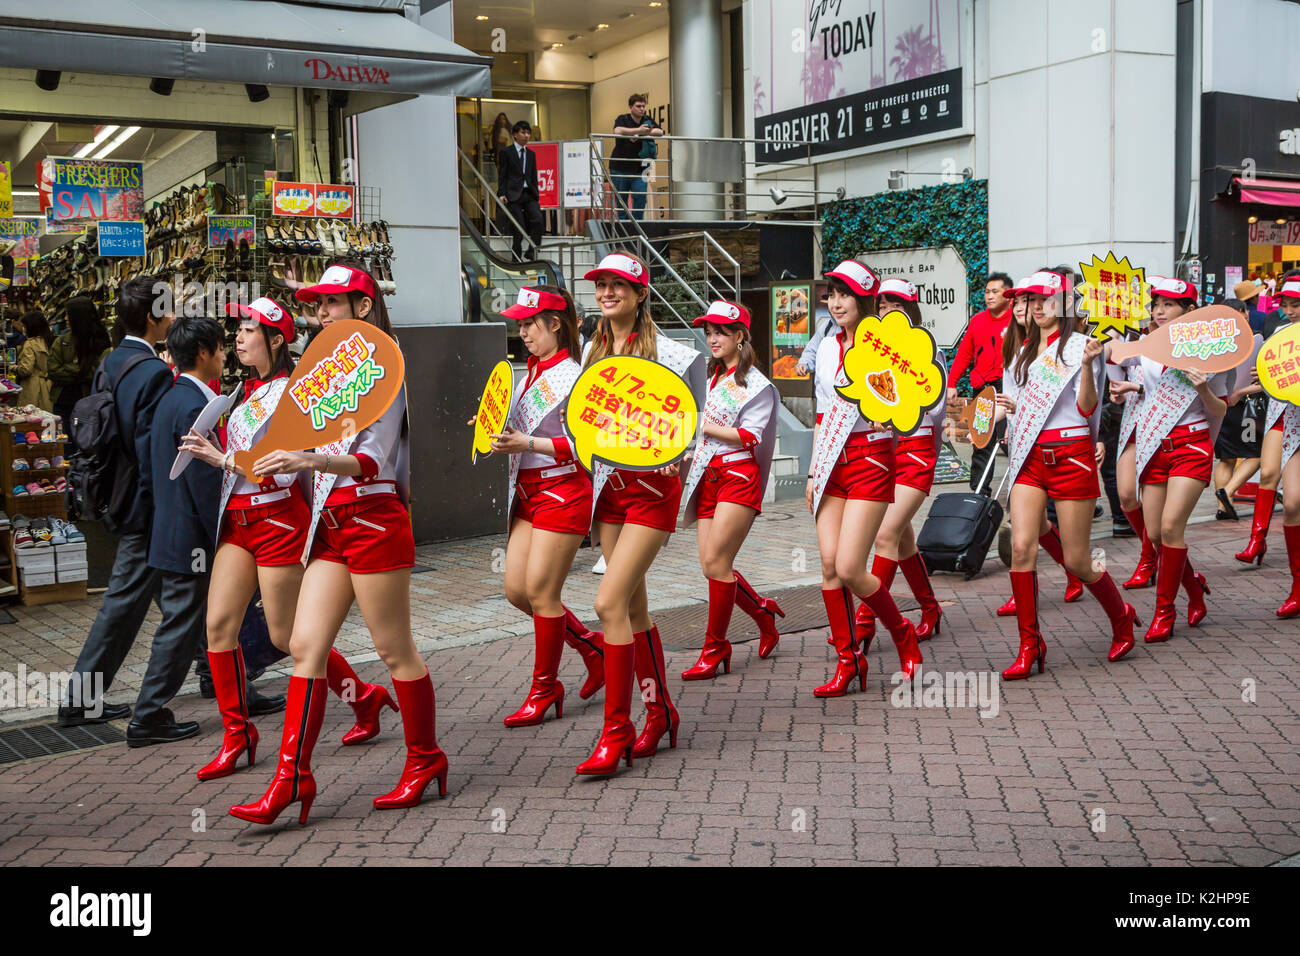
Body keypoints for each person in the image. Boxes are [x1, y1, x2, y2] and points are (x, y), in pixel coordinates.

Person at [231, 263, 447, 825]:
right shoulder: (317, 372)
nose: (320, 314)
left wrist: (312, 458)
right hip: (331, 523)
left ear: (365, 308)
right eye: (317, 305)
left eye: (332, 303)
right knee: (304, 645)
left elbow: (373, 459)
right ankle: (291, 778)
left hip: (374, 517)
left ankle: (425, 760)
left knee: (394, 648)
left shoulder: (386, 368)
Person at [179, 297, 387, 779]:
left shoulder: (297, 392)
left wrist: (219, 458)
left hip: (278, 523)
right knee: (217, 629)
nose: (238, 336)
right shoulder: (241, 391)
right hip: (239, 522)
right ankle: (238, 735)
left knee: (287, 637)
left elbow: (281, 468)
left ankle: (364, 698)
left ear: (277, 339)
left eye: (251, 329)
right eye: (238, 328)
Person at [576, 251, 704, 775]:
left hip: (653, 491)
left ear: (640, 291)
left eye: (618, 286)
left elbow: (693, 422)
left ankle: (616, 730)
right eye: (601, 285)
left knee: (608, 602)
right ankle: (660, 712)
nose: (607, 293)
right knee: (632, 609)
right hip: (609, 489)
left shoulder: (675, 354)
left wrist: (682, 455)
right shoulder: (590, 350)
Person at [996, 270, 1138, 678]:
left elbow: (1089, 408)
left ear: (1063, 302)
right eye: (1028, 300)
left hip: (1071, 452)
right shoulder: (1019, 352)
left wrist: (1091, 366)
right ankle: (1030, 645)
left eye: (1043, 299)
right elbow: (1018, 407)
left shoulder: (1081, 347)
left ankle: (1121, 616)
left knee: (1077, 559)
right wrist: (1004, 412)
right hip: (1030, 456)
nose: (1036, 307)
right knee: (1022, 548)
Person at [58, 278, 178, 728]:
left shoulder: (113, 361)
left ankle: (224, 676)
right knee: (126, 603)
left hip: (119, 495)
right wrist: (165, 508)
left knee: (185, 600)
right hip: (144, 506)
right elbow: (150, 449)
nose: (174, 317)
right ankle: (79, 700)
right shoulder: (150, 372)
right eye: (168, 309)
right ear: (151, 317)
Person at [483, 285, 606, 726]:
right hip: (528, 493)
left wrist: (528, 441)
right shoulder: (529, 371)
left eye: (529, 323)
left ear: (556, 323)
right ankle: (593, 649)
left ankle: (545, 687)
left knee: (541, 592)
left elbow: (591, 442)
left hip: (565, 491)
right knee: (517, 591)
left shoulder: (576, 375)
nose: (522, 332)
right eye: (519, 324)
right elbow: (515, 426)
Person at [806, 260, 922, 696]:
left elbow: (911, 403)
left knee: (852, 566)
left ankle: (902, 633)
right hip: (831, 460)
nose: (836, 303)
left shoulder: (888, 346)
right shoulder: (828, 344)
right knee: (829, 567)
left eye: (845, 294)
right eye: (832, 293)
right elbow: (820, 412)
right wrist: (815, 470)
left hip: (871, 458)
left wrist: (893, 419)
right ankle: (848, 661)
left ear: (865, 300)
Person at [118, 315, 231, 746]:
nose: (224, 355)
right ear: (202, 353)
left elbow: (150, 468)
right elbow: (204, 483)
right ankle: (147, 715)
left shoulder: (171, 397)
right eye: (219, 348)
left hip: (170, 528)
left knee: (208, 618)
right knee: (182, 623)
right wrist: (220, 533)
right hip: (190, 537)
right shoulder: (192, 406)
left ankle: (236, 689)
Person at [1111, 277, 1223, 642]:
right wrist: (1131, 386)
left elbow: (1221, 407)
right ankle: (1194, 589)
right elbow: (1151, 391)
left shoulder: (1210, 349)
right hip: (1154, 444)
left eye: (1169, 305)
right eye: (1156, 303)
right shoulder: (1146, 348)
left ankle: (1164, 611)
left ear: (1189, 311)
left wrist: (1204, 385)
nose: (1159, 310)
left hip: (1192, 444)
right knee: (1156, 534)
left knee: (1172, 527)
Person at [679, 300, 785, 679]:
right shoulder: (710, 377)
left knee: (717, 564)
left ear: (740, 335)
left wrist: (699, 426)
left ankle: (715, 647)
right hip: (707, 476)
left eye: (721, 331)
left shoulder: (757, 385)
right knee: (712, 566)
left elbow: (749, 437)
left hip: (739, 477)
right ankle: (762, 612)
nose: (713, 338)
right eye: (709, 332)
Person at [852, 279, 947, 662]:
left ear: (912, 309)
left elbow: (936, 408)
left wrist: (900, 418)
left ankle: (865, 621)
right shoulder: (873, 350)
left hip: (917, 452)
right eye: (883, 302)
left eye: (897, 303)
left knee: (886, 534)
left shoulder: (928, 349)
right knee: (902, 539)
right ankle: (930, 608)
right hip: (885, 453)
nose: (889, 308)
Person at [1236, 276, 1300, 582]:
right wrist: (1260, 379)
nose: (1289, 310)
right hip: (1279, 411)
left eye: (1295, 305)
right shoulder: (1278, 331)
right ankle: (1256, 540)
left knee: (1293, 500)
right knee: (1269, 471)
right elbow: (1273, 373)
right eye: (1285, 304)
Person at [948, 273, 1014, 494]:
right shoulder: (978, 320)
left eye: (995, 291)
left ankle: (1021, 490)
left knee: (1010, 440)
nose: (990, 296)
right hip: (984, 389)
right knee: (981, 438)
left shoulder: (1018, 319)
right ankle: (979, 491)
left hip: (1008, 386)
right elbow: (964, 354)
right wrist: (952, 383)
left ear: (1008, 294)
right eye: (987, 292)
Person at [1212, 298, 1264, 520]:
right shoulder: (1255, 342)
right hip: (1246, 407)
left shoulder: (1216, 343)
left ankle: (1224, 508)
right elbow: (1262, 380)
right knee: (1256, 454)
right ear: (1245, 312)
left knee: (1227, 459)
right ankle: (1229, 491)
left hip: (1220, 405)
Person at [48, 297, 112, 445]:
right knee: (64, 444)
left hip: (88, 404)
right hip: (63, 403)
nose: (65, 319)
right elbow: (52, 370)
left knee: (85, 442)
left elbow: (96, 372)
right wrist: (81, 372)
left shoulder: (100, 342)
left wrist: (68, 368)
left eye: (68, 315)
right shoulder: (62, 341)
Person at [611, 94, 663, 222]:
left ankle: (636, 225)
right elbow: (617, 131)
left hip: (640, 169)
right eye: (638, 106)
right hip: (620, 167)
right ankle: (624, 227)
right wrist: (638, 130)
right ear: (631, 107)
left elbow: (660, 132)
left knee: (640, 198)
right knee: (621, 201)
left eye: (643, 106)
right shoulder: (623, 119)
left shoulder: (647, 119)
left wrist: (639, 133)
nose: (642, 109)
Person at [496, 120, 544, 259]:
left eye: (528, 133)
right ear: (515, 135)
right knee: (519, 226)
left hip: (529, 193)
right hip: (513, 194)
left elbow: (533, 175)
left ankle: (531, 251)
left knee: (538, 220)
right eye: (523, 132)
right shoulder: (506, 152)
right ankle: (515, 255)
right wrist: (502, 193)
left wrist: (536, 194)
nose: (527, 135)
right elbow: (503, 174)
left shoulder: (531, 154)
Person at [14, 310, 53, 411]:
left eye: (25, 326)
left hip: (32, 388)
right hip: (48, 386)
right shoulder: (49, 341)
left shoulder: (30, 344)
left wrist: (12, 367)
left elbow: (25, 370)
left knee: (30, 419)